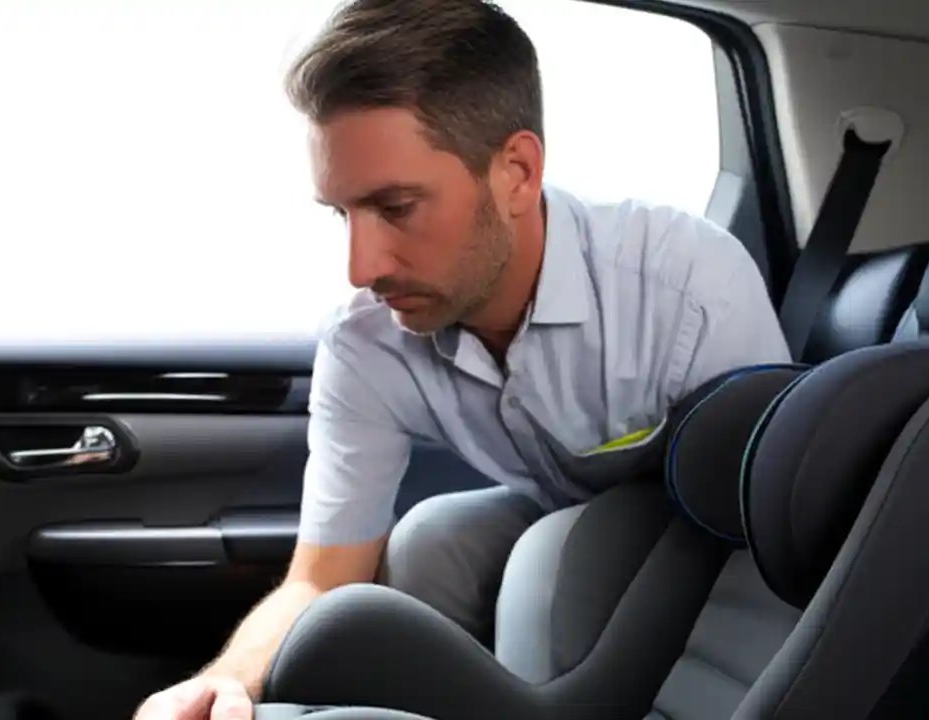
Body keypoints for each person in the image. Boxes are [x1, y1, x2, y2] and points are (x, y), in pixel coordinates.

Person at [134, 0, 788, 718]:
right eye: (341, 214)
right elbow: (319, 580)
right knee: (431, 538)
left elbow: (762, 537)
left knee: (556, 551)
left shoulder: (687, 289)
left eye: (397, 206)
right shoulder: (367, 345)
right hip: (565, 527)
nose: (361, 266)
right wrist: (227, 680)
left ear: (516, 172)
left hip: (690, 560)